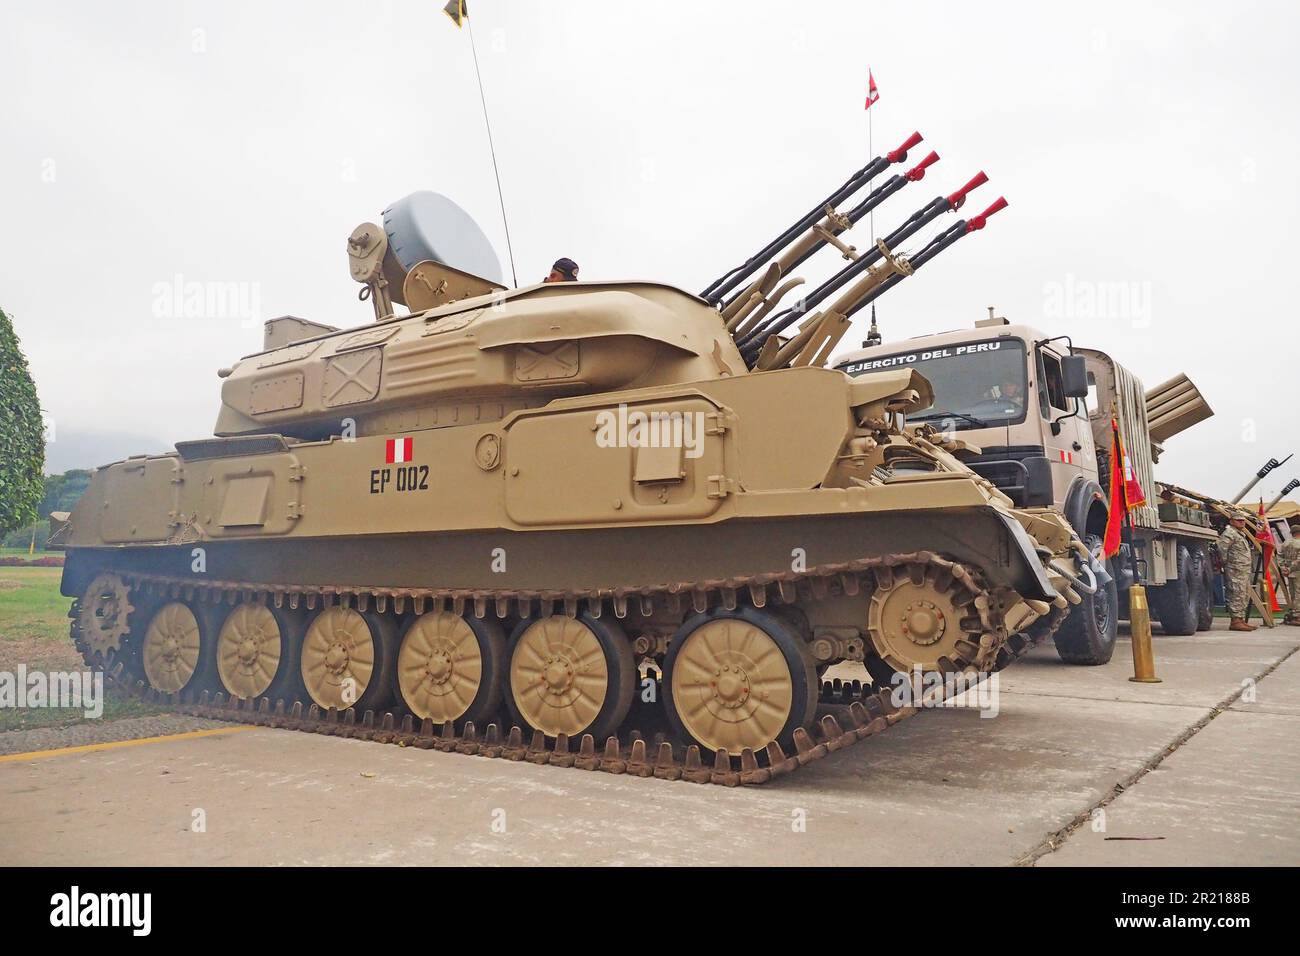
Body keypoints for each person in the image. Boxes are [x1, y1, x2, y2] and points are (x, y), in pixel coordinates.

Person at [1216, 513, 1257, 631]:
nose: (1242, 522)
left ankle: (1240, 619)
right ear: (1232, 521)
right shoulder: (1229, 533)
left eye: (1243, 521)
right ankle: (1235, 620)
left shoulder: (1240, 534)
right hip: (1235, 569)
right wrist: (1226, 564)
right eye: (1239, 520)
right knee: (1236, 592)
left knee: (1243, 593)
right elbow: (1222, 549)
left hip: (1242, 569)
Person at [1280, 521, 1300, 626]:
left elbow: (1280, 556)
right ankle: (1298, 615)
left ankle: (1293, 613)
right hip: (1297, 571)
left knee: (1293, 593)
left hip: (1289, 572)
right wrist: (1291, 568)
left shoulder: (1285, 543)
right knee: (1299, 594)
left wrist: (1284, 568)